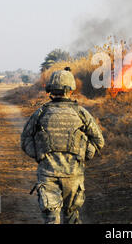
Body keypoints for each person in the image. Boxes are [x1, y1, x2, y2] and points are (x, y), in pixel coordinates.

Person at [20, 67, 104, 224]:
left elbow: (25, 140)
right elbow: (98, 140)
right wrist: (85, 155)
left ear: (50, 89)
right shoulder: (81, 113)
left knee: (51, 219)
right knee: (71, 216)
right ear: (71, 89)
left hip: (48, 174)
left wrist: (40, 155)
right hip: (73, 176)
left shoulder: (41, 113)